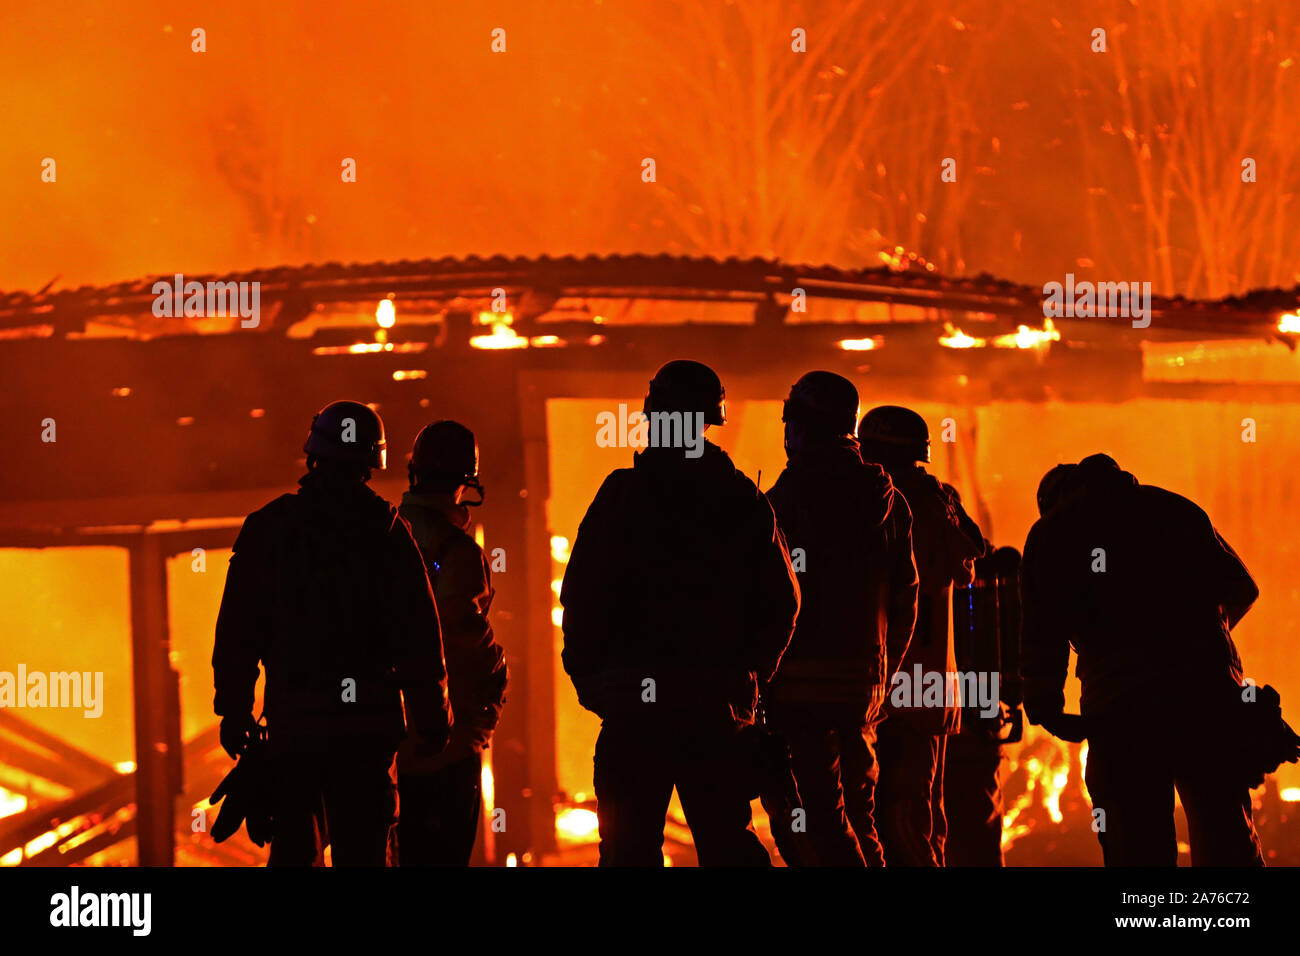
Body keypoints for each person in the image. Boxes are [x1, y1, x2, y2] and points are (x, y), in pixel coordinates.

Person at [560, 359, 800, 866]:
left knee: (628, 852)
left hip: (632, 710)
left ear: (654, 416)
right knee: (727, 846)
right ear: (709, 422)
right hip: (711, 709)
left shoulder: (621, 496)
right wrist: (749, 680)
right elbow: (782, 603)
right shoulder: (740, 500)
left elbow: (581, 595)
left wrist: (593, 680)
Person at [213, 400, 450, 866]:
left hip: (295, 730)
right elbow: (420, 637)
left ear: (313, 455)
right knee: (364, 854)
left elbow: (239, 633)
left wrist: (235, 710)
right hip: (367, 732)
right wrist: (432, 717)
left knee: (297, 853)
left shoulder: (270, 529)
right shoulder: (387, 536)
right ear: (370, 462)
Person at [1022, 453, 1265, 866]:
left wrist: (1045, 704)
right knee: (1224, 834)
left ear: (1055, 500)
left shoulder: (1054, 532)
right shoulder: (1177, 509)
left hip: (1121, 708)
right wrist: (1206, 646)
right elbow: (1242, 588)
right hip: (1206, 699)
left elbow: (1043, 628)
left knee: (1136, 842)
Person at [764, 372, 917, 866]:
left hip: (796, 692)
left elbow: (765, 598)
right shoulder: (889, 502)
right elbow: (905, 599)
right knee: (859, 813)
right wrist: (882, 677)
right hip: (861, 690)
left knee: (811, 820)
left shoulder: (783, 504)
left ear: (801, 427)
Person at [858, 406, 985, 866]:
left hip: (898, 688)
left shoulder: (886, 502)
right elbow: (972, 561)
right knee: (925, 814)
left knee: (898, 816)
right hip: (932, 688)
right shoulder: (940, 502)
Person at [396, 421, 508, 866]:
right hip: (448, 748)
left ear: (413, 472)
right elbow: (466, 644)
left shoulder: (383, 539)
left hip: (389, 750)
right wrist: (491, 700)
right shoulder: (459, 554)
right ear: (466, 483)